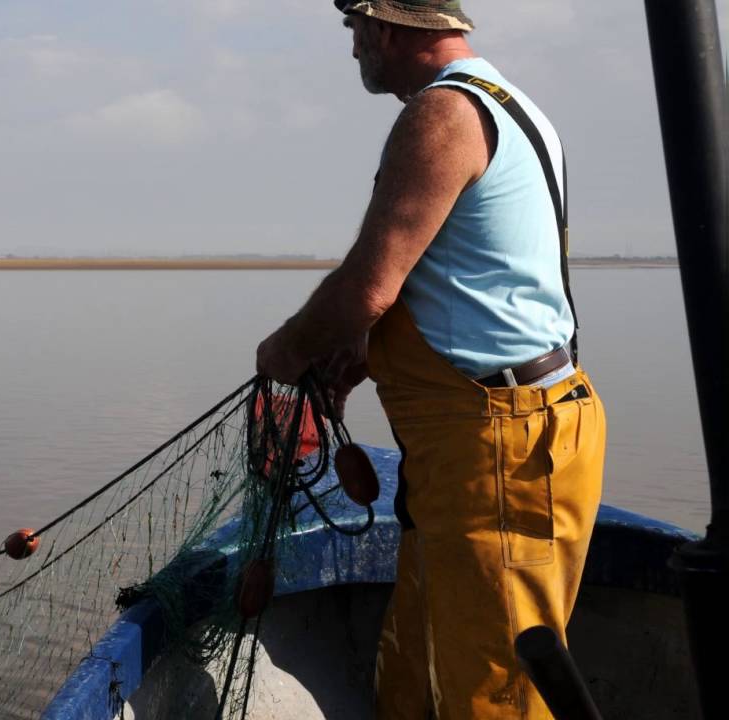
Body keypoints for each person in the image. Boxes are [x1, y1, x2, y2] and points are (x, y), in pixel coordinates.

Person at [255, 1, 607, 718]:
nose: (354, 49)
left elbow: (369, 288)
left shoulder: (442, 115)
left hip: (500, 450)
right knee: (412, 669)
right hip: (471, 446)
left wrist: (286, 350)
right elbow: (467, 277)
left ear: (384, 27)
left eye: (355, 30)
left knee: (493, 690)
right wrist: (364, 352)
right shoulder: (505, 104)